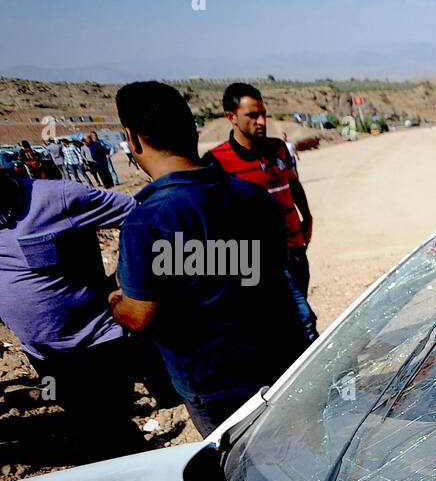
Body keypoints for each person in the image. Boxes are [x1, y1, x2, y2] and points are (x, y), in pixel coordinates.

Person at [109, 81, 310, 437]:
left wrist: (115, 302)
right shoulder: (254, 198)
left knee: (239, 473)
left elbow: (140, 315)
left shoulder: (148, 222)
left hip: (213, 383)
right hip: (277, 364)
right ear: (192, 130)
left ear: (133, 138)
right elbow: (270, 273)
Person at [0, 171, 147, 457]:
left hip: (95, 345)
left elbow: (139, 217)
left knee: (112, 427)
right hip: (40, 353)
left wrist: (128, 278)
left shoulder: (58, 198)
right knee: (84, 420)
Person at [207, 83, 318, 341]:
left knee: (294, 319)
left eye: (263, 114)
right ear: (231, 117)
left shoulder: (277, 148)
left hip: (296, 251)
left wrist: (307, 216)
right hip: (264, 260)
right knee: (305, 323)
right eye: (252, 115)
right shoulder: (217, 161)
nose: (261, 121)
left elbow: (293, 182)